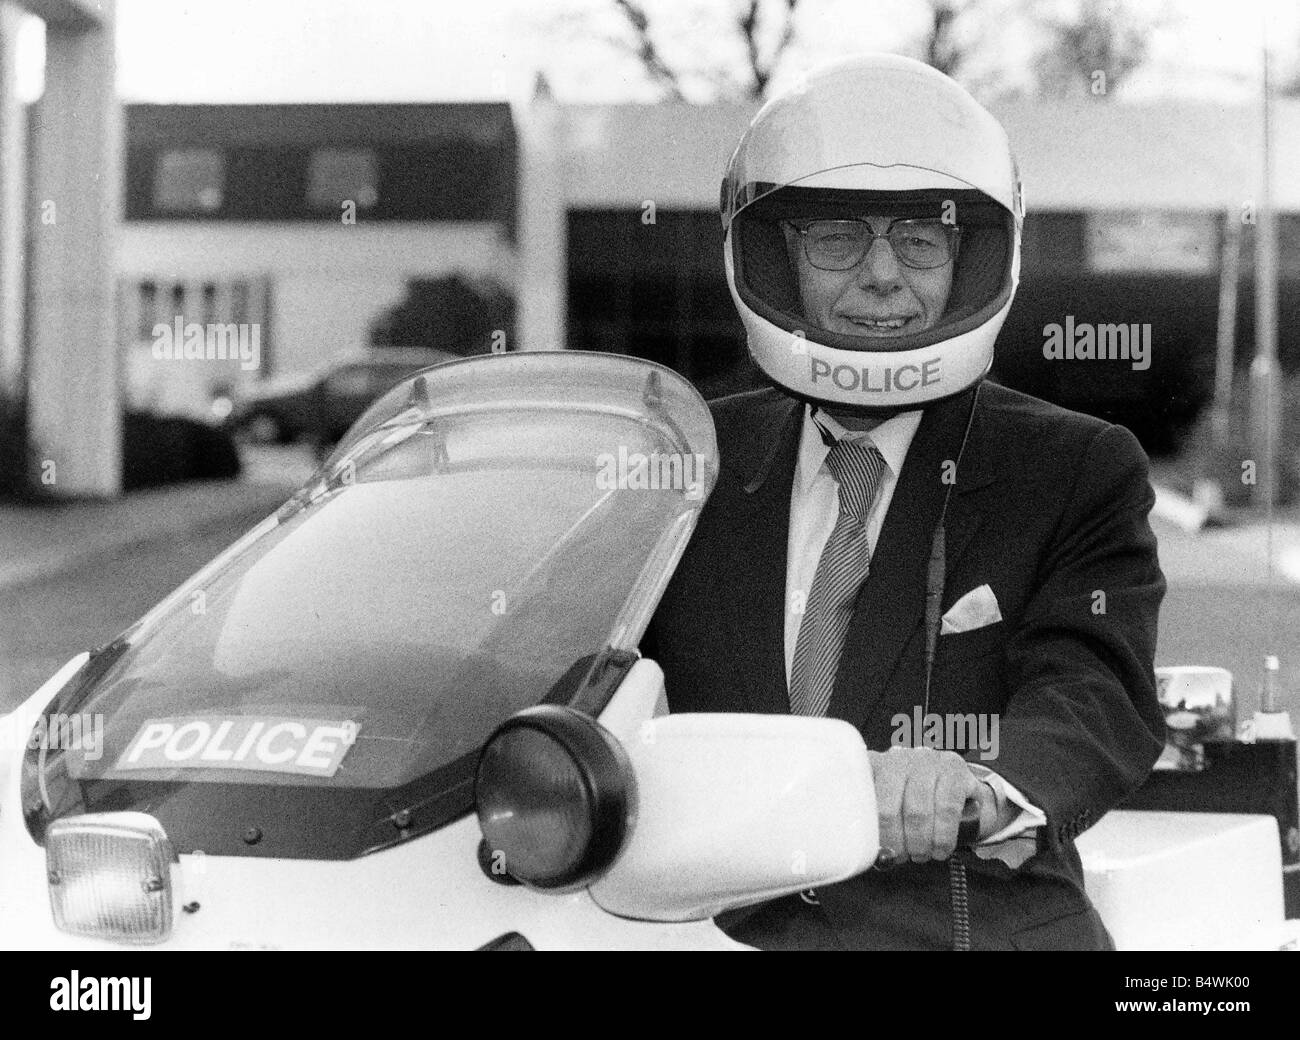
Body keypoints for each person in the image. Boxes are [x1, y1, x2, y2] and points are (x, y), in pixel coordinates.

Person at [640, 53, 1167, 950]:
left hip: (968, 928)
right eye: (839, 239)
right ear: (780, 259)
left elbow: (1094, 690)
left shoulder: (1073, 467)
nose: (884, 275)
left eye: (920, 241)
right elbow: (580, 663)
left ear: (969, 262)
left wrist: (977, 785)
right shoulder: (684, 460)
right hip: (700, 932)